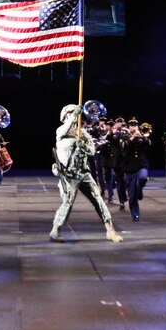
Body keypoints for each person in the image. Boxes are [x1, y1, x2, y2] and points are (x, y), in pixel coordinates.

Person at [49, 104, 122, 243]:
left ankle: (110, 230)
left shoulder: (83, 133)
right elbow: (66, 127)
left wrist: (83, 145)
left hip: (84, 172)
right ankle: (55, 229)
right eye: (70, 114)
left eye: (75, 114)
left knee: (98, 199)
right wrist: (74, 114)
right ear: (64, 116)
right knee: (68, 202)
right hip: (69, 174)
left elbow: (92, 151)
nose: (74, 117)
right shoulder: (61, 131)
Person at [121, 119, 151, 222]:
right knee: (132, 194)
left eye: (135, 125)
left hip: (142, 164)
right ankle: (135, 214)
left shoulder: (142, 136)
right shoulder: (125, 135)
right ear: (129, 127)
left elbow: (149, 144)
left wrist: (141, 136)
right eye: (132, 125)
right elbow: (124, 145)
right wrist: (134, 137)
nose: (134, 127)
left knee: (143, 178)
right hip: (129, 167)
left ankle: (140, 190)